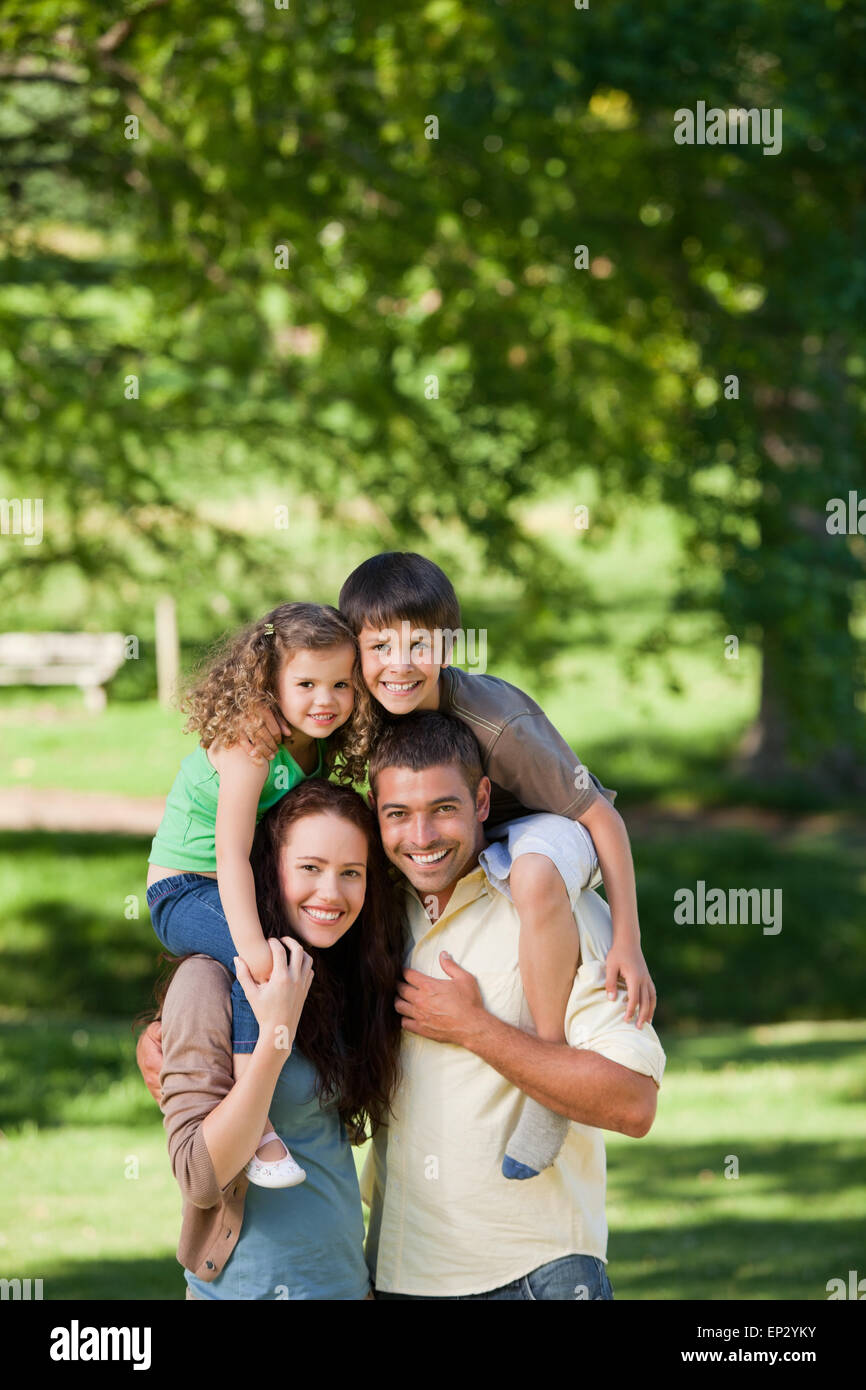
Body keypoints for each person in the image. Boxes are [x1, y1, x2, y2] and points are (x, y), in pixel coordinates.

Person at [333, 550, 657, 1181]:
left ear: (449, 645)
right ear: (357, 650)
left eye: (418, 644)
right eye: (380, 647)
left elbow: (602, 819)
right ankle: (349, 1075)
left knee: (534, 875)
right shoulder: (359, 711)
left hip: (546, 825)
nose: (399, 665)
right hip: (461, 830)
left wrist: (628, 939)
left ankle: (547, 1077)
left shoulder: (496, 723)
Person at [362, 711, 666, 1299]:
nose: (420, 838)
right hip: (399, 1274)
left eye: (442, 809)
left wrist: (477, 1030)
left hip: (535, 1275)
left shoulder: (553, 905)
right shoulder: (369, 912)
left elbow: (634, 1103)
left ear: (481, 801)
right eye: (397, 814)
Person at [137, 780, 405, 1300]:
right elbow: (199, 1176)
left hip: (346, 1287)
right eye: (309, 867)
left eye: (351, 873)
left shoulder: (343, 975)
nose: (331, 892)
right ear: (269, 871)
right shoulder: (206, 980)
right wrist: (273, 1041)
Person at [146, 601, 372, 1187]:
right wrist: (254, 948)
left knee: (285, 963)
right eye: (305, 683)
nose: (326, 699)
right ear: (269, 680)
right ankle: (258, 1128)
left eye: (341, 684)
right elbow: (228, 855)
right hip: (185, 889)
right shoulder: (251, 744)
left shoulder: (314, 745)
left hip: (230, 886)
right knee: (260, 970)